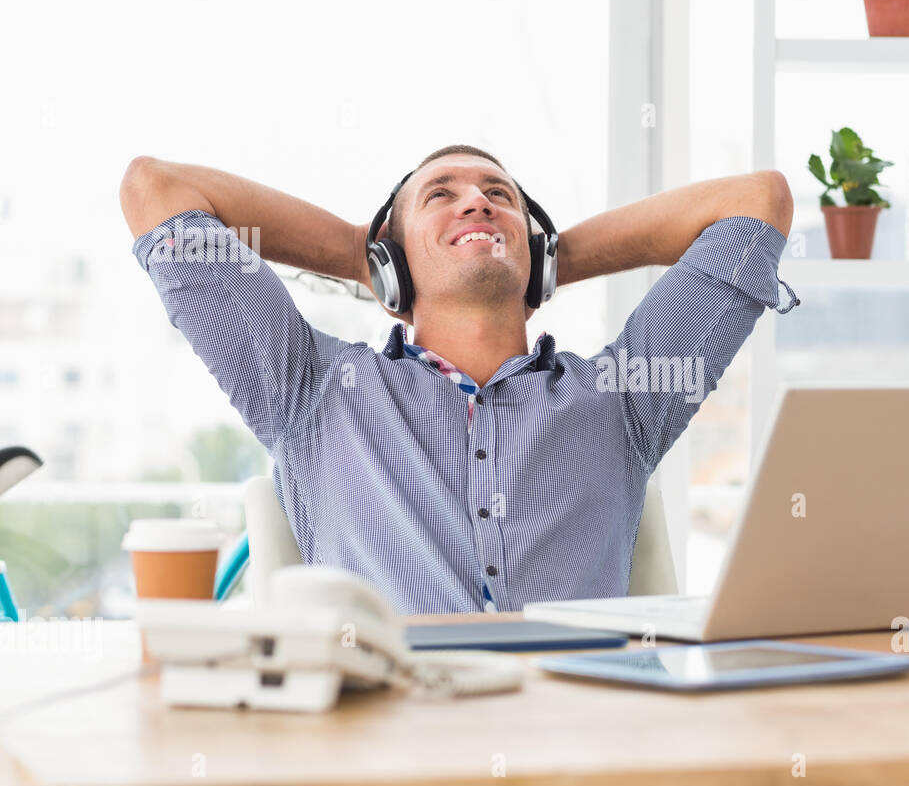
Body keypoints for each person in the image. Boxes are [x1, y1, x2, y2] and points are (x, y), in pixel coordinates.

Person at [120, 146, 797, 612]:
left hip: (581, 755)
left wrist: (547, 258)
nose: (476, 201)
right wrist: (363, 255)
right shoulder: (308, 390)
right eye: (440, 197)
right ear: (393, 259)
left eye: (498, 196)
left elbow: (757, 202)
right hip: (392, 761)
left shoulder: (624, 398)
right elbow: (157, 190)